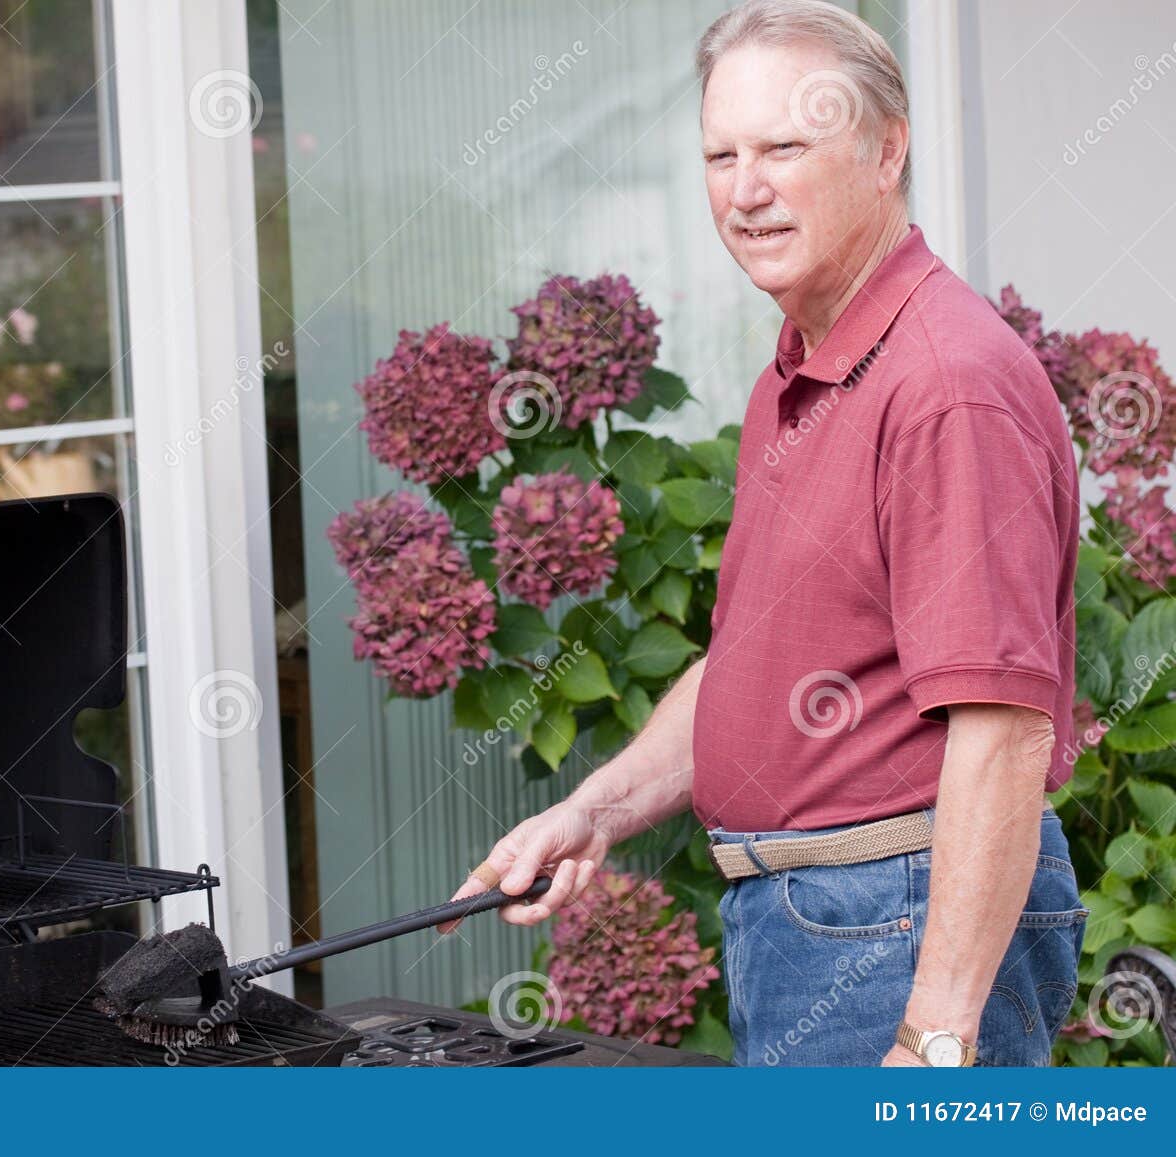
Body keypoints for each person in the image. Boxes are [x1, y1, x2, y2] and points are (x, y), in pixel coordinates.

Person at [443, 0, 1086, 1067]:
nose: (744, 190)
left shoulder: (944, 385)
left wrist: (932, 1039)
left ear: (887, 150)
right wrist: (596, 811)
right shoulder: (803, 370)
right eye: (720, 154)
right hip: (816, 919)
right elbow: (751, 658)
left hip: (893, 920)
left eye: (784, 147)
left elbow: (1003, 729)